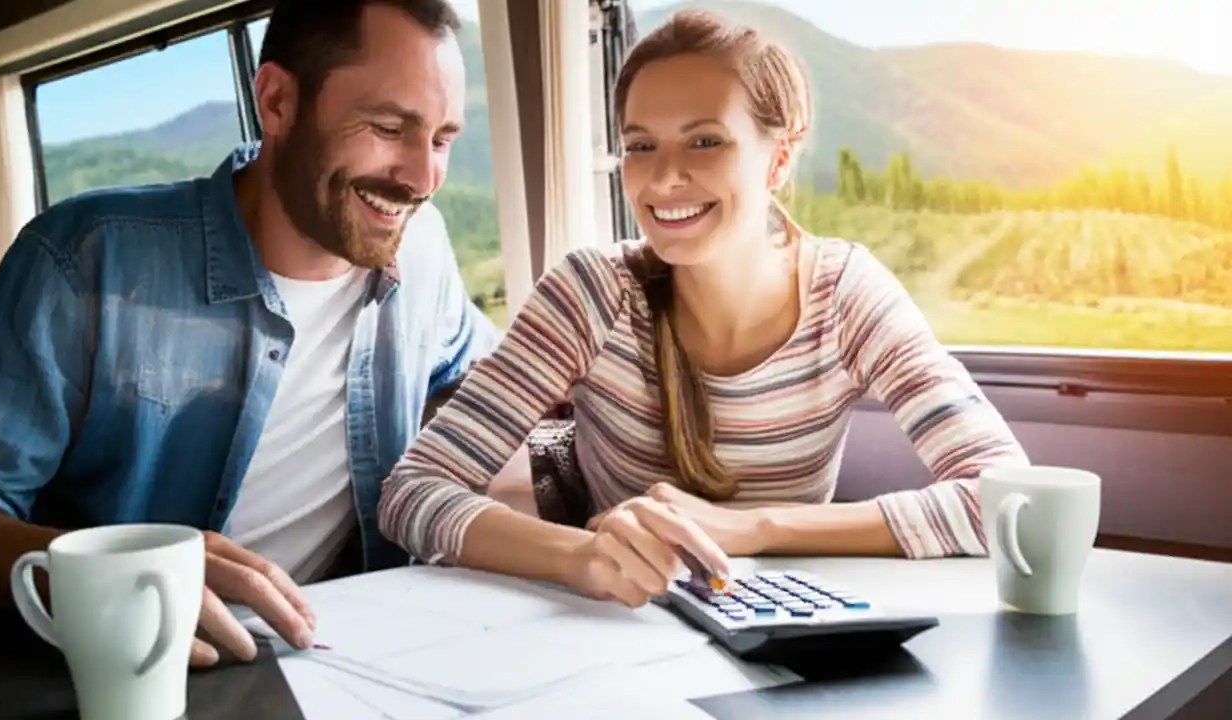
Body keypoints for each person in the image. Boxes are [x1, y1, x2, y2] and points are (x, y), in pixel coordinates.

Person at [379, 9, 1031, 607]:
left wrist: (755, 528)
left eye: (704, 142)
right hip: (621, 630)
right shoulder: (591, 294)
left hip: (789, 631)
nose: (664, 178)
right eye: (641, 145)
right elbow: (413, 492)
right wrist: (582, 557)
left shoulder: (844, 295)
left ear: (778, 159)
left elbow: (1013, 501)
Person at [0, 0, 503, 667]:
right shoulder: (88, 260)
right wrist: (119, 576)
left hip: (347, 652)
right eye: (388, 127)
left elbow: (483, 383)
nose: (423, 179)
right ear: (276, 101)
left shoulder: (423, 250)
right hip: (133, 668)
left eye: (442, 140)